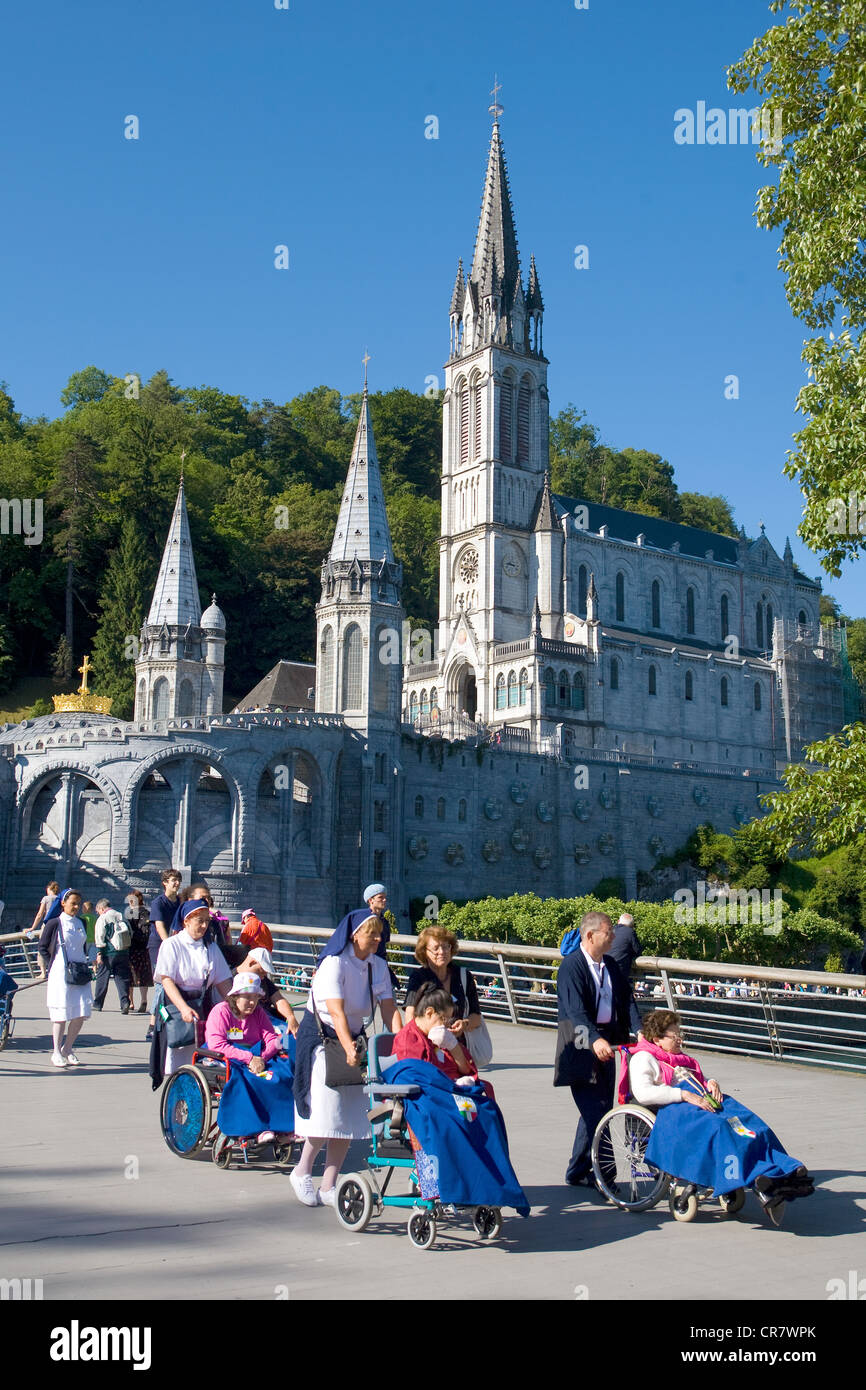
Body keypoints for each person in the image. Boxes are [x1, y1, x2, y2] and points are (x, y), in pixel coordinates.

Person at [626, 1010, 814, 1224]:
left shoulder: (680, 1058)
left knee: (750, 1124)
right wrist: (683, 1095)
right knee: (724, 1129)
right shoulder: (643, 1058)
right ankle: (758, 1179)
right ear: (657, 1039)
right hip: (675, 1110)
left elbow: (696, 1078)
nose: (680, 1040)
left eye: (680, 1034)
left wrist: (710, 1082)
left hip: (701, 1101)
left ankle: (784, 1169)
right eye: (674, 1036)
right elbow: (643, 1093)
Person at [292, 914, 401, 1208]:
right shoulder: (334, 964)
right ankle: (302, 1171)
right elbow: (336, 1012)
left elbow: (389, 1008)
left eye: (380, 935)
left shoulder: (377, 966)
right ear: (354, 935)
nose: (378, 940)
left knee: (350, 1114)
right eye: (372, 934)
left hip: (352, 1039)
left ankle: (328, 1184)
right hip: (322, 1039)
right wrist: (348, 1048)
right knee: (327, 1111)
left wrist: (403, 1042)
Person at [553, 910, 641, 1188]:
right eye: (609, 932)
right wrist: (594, 1039)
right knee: (597, 1113)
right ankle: (606, 1176)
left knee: (599, 1106)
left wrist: (640, 1031)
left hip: (609, 1042)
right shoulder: (572, 967)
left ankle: (577, 1170)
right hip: (580, 1044)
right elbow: (575, 1011)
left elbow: (626, 1000)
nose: (614, 936)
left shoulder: (610, 964)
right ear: (590, 935)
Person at [205, 973, 293, 1144]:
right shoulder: (221, 1011)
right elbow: (216, 1044)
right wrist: (249, 1058)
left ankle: (284, 1127)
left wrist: (262, 1058)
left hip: (257, 1057)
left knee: (283, 1073)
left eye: (255, 998)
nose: (252, 1003)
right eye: (248, 997)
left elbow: (272, 1040)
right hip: (228, 1057)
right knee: (249, 1079)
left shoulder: (258, 1012)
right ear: (235, 996)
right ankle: (256, 1128)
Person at [151, 898, 233, 1082]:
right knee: (178, 1058)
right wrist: (183, 1008)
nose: (204, 926)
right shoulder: (172, 945)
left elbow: (223, 983)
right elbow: (167, 980)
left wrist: (237, 1007)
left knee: (203, 1057)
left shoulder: (211, 948)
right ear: (186, 921)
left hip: (203, 1004)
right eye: (199, 921)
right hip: (177, 1005)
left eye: (207, 921)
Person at [37, 887, 93, 1067]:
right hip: (60, 972)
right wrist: (53, 964)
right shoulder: (55, 923)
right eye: (72, 903)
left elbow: (82, 946)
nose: (76, 907)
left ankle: (67, 1048)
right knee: (61, 1013)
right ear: (63, 903)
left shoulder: (81, 922)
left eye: (78, 904)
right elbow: (42, 946)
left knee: (81, 1012)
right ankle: (55, 1051)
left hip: (79, 971)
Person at [403, 925, 483, 1046]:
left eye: (446, 947)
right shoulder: (418, 978)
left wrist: (464, 1024)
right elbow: (410, 1014)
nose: (442, 952)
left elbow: (476, 1016)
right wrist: (416, 1043)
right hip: (429, 1045)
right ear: (424, 952)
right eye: (435, 948)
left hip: (459, 1045)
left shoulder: (463, 976)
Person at [392, 981, 477, 1083]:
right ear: (429, 1013)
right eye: (444, 1019)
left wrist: (454, 1046)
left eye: (449, 1020)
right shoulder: (408, 1039)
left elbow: (466, 1070)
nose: (447, 1025)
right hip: (432, 1089)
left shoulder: (440, 1037)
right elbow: (415, 1079)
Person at [237, 947, 300, 1036]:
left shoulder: (262, 980)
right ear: (252, 963)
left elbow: (278, 999)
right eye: (261, 971)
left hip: (270, 1023)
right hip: (247, 1028)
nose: (263, 976)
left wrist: (290, 1017)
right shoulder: (230, 981)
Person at [93, 898, 132, 1014]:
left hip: (108, 952)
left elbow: (99, 935)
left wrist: (99, 952)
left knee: (102, 977)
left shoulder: (103, 918)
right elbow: (130, 932)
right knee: (122, 978)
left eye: (97, 911)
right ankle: (125, 1002)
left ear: (101, 908)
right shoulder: (120, 915)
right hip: (123, 951)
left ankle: (98, 1004)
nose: (98, 913)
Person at [124, 891, 153, 1013]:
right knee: (139, 974)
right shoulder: (143, 912)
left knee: (134, 975)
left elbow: (141, 931)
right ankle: (139, 1000)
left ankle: (136, 1001)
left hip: (135, 947)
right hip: (140, 947)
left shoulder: (136, 913)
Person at [609, 912, 643, 983]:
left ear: (618, 921)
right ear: (632, 925)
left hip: (603, 968)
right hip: (619, 970)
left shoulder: (609, 930)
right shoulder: (630, 932)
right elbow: (637, 951)